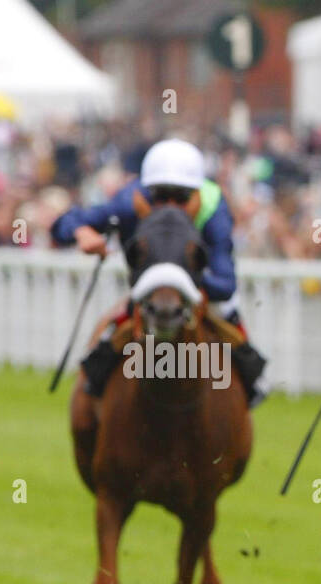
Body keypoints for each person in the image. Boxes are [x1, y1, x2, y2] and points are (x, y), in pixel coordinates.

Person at [50, 137, 268, 404]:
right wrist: (81, 232)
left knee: (228, 313)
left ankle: (252, 380)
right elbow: (63, 224)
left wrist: (177, 277)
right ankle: (93, 386)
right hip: (146, 295)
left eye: (181, 197)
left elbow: (225, 284)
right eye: (160, 196)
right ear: (147, 190)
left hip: (200, 292)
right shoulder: (130, 200)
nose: (169, 207)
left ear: (196, 195)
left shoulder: (213, 207)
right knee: (107, 342)